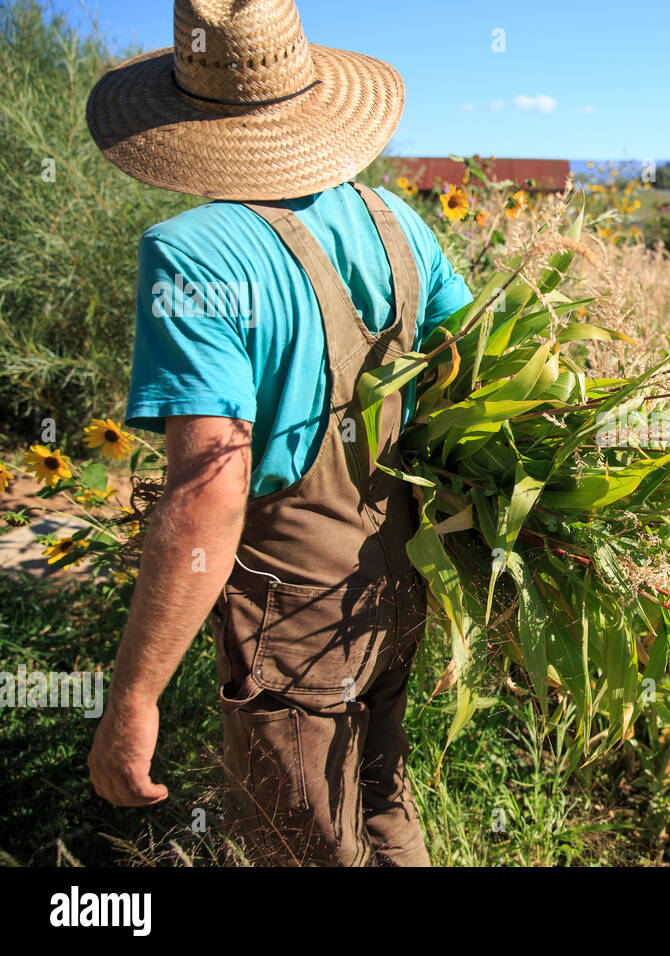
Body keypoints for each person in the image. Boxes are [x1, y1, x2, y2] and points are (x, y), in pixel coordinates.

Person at [84, 0, 470, 866]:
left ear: (184, 114)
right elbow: (471, 374)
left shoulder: (194, 252)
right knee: (382, 812)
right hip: (397, 580)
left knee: (304, 846)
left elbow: (209, 491)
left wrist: (133, 699)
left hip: (296, 613)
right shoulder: (397, 222)